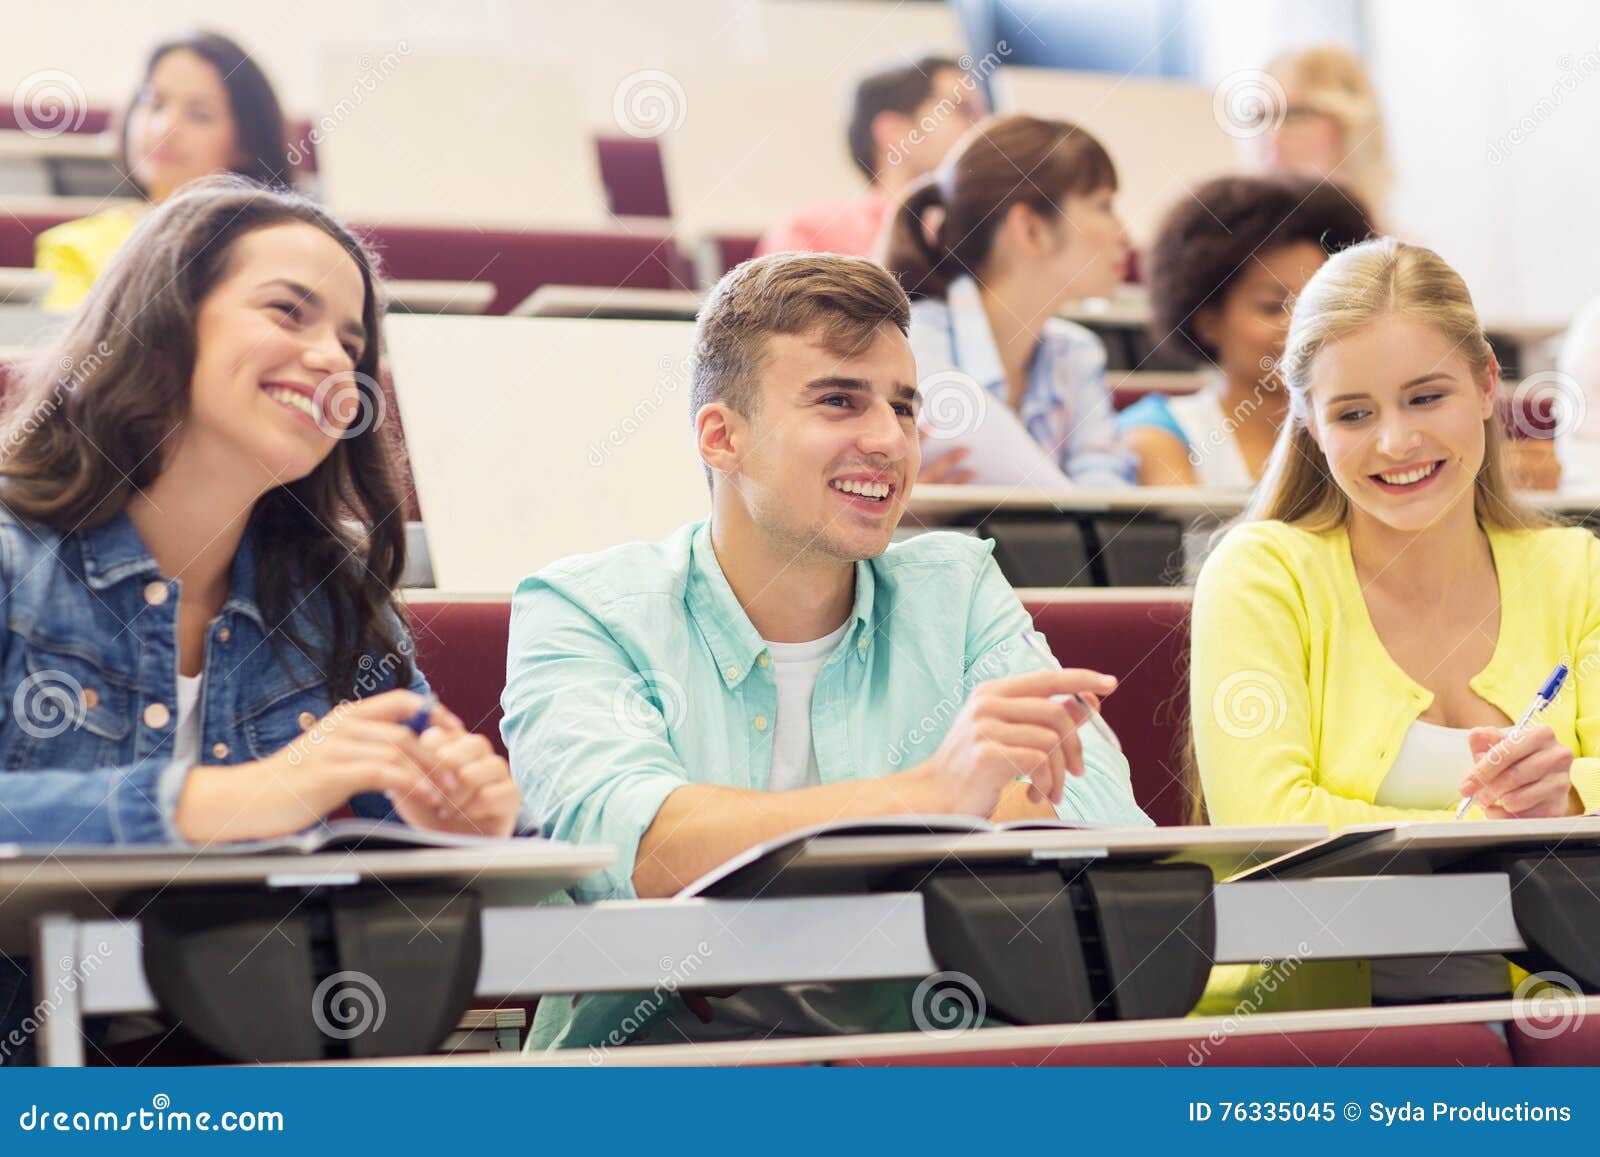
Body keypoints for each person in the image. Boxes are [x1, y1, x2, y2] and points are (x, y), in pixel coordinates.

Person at [503, 251, 1150, 1048]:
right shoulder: (582, 610)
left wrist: (751, 840)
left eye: (905, 407)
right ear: (721, 436)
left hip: (924, 1084)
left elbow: (1097, 827)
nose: (889, 440)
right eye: (840, 400)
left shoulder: (958, 585)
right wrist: (936, 796)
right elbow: (642, 854)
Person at [0, 177, 521, 1063]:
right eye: (289, 312)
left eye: (351, 342)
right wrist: (225, 801)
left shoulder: (337, 604)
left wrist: (466, 828)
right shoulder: (15, 559)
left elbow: (401, 860)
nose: (331, 359)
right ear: (162, 319)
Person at [1189, 237, 1600, 1009]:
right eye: (1353, 412)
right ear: (1308, 418)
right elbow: (1267, 822)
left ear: (1486, 385)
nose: (1396, 442)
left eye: (1425, 396)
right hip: (1322, 1016)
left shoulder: (1577, 569)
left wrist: (1566, 800)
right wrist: (1496, 821)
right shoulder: (1259, 573)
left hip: (1562, 999)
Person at [884, 114, 1135, 485]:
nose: (1124, 234)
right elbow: (1074, 505)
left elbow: (1107, 499)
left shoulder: (1076, 353)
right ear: (1030, 229)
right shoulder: (914, 346)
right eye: (1103, 206)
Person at [1117, 175, 1372, 486]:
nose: (1302, 326)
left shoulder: (1371, 429)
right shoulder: (1158, 437)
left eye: (1318, 303)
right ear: (1208, 322)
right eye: (1271, 306)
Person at [35, 30, 292, 311]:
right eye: (155, 104)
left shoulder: (276, 248)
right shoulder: (72, 246)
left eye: (199, 115)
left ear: (246, 143)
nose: (163, 128)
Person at [754, 55, 985, 259]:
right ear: (893, 132)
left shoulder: (985, 237)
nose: (985, 127)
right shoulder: (809, 234)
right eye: (963, 110)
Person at [1254, 45, 1393, 229]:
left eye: (1296, 114)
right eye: (1263, 117)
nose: (1273, 135)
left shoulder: (1395, 252)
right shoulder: (1244, 245)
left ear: (1348, 125)